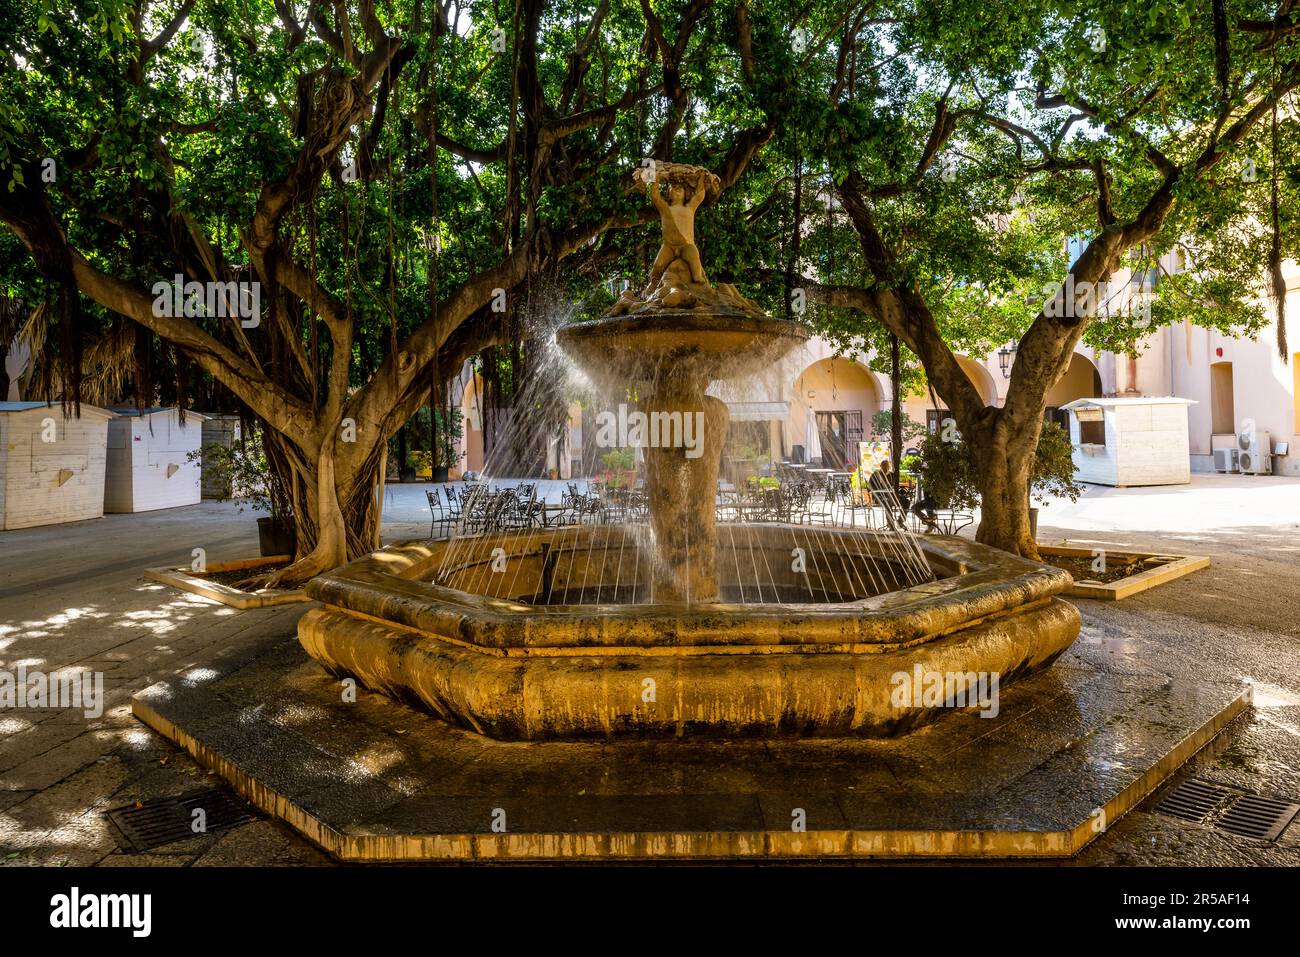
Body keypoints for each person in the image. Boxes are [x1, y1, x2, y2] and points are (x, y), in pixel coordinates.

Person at [647, 169, 708, 288]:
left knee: (694, 257)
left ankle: (698, 277)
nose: (678, 189)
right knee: (657, 267)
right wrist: (656, 178)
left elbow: (699, 195)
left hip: (687, 245)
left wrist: (701, 178)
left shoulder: (690, 208)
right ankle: (653, 285)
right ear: (668, 193)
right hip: (668, 246)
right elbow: (655, 196)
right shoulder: (665, 208)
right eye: (674, 187)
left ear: (686, 194)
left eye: (681, 188)